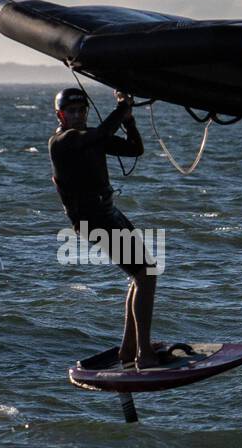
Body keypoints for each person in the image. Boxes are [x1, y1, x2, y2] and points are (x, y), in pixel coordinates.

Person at [49, 85, 163, 369]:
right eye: (70, 112)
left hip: (109, 212)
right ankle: (143, 354)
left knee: (143, 273)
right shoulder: (63, 141)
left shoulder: (91, 137)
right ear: (60, 115)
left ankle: (129, 349)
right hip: (92, 220)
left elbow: (136, 149)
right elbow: (98, 134)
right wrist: (123, 107)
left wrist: (129, 120)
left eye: (81, 110)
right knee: (146, 274)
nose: (76, 116)